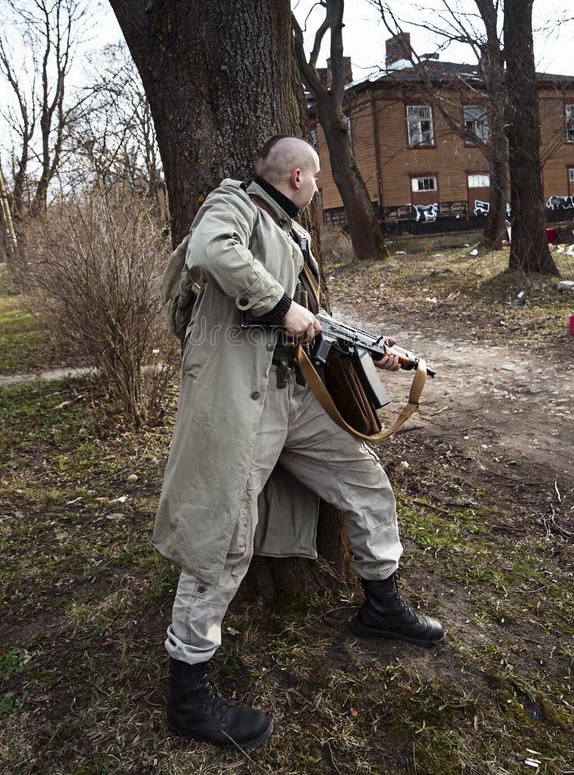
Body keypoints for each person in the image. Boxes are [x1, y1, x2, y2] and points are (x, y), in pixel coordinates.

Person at [152, 135, 444, 751]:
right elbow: (211, 252)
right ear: (295, 176)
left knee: (366, 483)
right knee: (222, 534)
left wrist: (373, 352)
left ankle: (382, 603)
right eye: (314, 178)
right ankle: (188, 688)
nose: (317, 189)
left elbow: (311, 325)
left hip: (293, 398)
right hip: (241, 403)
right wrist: (284, 307)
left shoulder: (294, 235)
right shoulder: (232, 205)